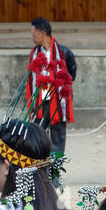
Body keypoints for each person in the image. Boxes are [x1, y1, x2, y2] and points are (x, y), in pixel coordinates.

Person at [26, 18, 77, 161]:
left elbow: (71, 74)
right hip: (41, 98)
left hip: (59, 99)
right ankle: (38, 168)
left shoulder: (64, 52)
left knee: (58, 137)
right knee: (36, 133)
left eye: (33, 33)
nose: (32, 37)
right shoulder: (34, 53)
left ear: (42, 33)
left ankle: (55, 173)